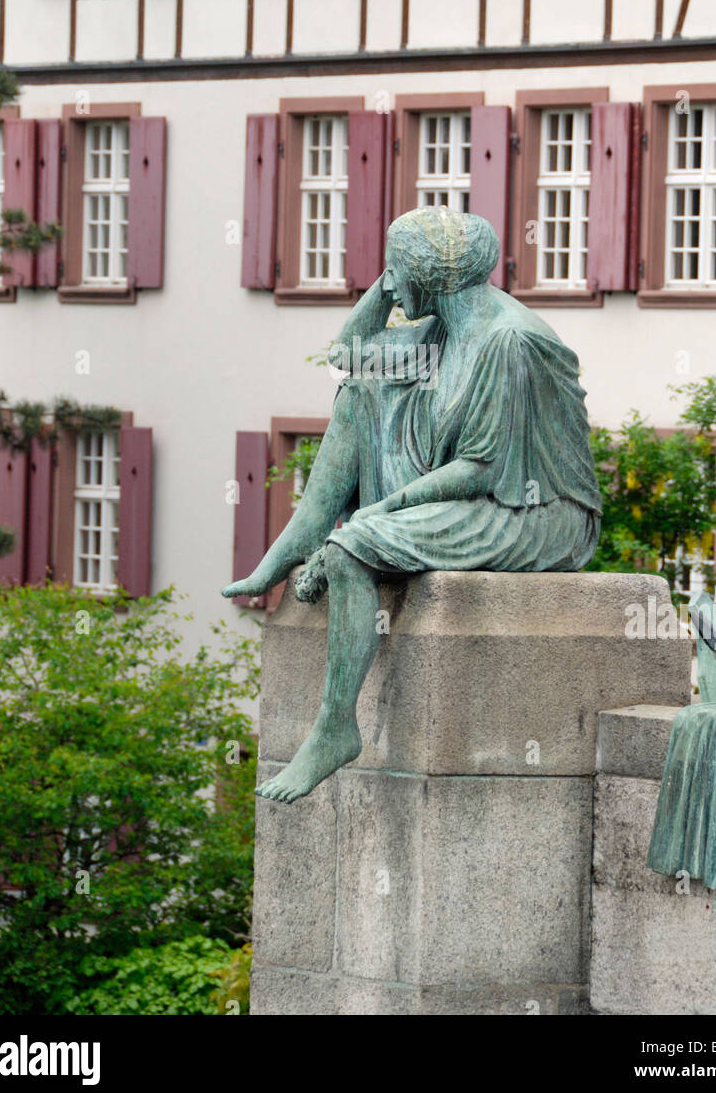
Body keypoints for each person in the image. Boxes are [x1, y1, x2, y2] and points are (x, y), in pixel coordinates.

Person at [223, 206, 602, 802]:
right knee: (360, 393)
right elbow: (347, 356)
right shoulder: (442, 328)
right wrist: (392, 281)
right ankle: (292, 544)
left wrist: (381, 513)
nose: (388, 286)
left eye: (395, 272)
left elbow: (477, 471)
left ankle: (335, 726)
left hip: (533, 512)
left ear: (432, 274)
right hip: (471, 489)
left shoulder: (509, 339)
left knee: (353, 549)